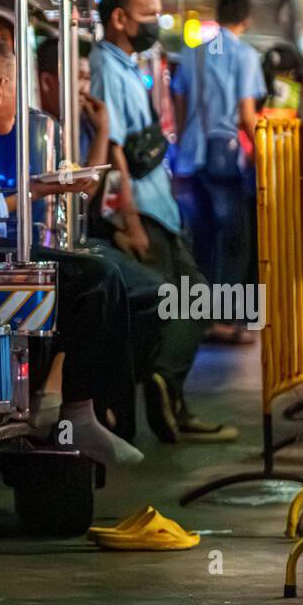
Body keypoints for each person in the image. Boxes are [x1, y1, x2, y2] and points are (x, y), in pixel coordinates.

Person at [0, 37, 143, 467]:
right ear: (0, 89)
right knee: (98, 280)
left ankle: (72, 404)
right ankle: (83, 411)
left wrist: (42, 187)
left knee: (98, 276)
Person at [37, 38, 209, 443]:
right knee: (169, 295)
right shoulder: (43, 129)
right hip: (76, 240)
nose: (85, 87)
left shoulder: (79, 123)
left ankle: (136, 396)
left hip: (106, 229)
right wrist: (105, 135)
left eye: (85, 77)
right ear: (47, 81)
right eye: (77, 77)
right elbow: (85, 195)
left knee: (178, 295)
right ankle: (124, 401)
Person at [89, 0, 237, 443]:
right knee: (184, 301)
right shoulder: (106, 67)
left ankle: (170, 398)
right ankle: (159, 392)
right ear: (119, 18)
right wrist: (129, 222)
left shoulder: (129, 66)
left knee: (192, 298)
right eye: (148, 14)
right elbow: (113, 153)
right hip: (141, 215)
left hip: (160, 207)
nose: (156, 22)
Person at [172, 0, 266, 338]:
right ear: (246, 18)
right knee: (233, 240)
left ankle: (203, 318)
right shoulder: (244, 55)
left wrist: (184, 143)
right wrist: (266, 151)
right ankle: (226, 321)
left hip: (190, 158)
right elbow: (246, 113)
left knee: (202, 240)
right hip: (223, 157)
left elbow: (179, 104)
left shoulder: (193, 53)